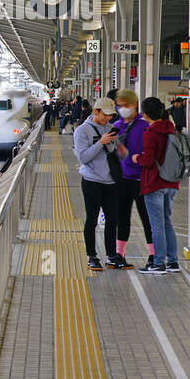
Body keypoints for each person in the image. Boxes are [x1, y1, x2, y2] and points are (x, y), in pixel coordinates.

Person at [73, 96, 126, 271]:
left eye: (111, 115)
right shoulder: (82, 131)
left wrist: (114, 145)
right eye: (105, 115)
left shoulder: (110, 128)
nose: (108, 119)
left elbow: (112, 153)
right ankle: (92, 256)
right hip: (91, 181)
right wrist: (100, 143)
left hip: (110, 182)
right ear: (95, 111)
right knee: (92, 219)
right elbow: (83, 157)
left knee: (112, 220)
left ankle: (111, 255)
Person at [132, 96, 180, 274]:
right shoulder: (171, 129)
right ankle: (173, 262)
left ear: (144, 114)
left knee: (157, 224)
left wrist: (137, 158)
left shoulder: (150, 133)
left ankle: (158, 263)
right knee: (167, 221)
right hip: (171, 182)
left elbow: (148, 161)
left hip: (154, 182)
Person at [110, 89, 156, 271]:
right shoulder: (115, 126)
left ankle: (153, 255)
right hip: (121, 180)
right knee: (122, 218)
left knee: (147, 218)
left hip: (142, 179)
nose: (122, 109)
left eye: (125, 105)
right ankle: (119, 254)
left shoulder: (144, 126)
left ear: (134, 105)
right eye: (119, 106)